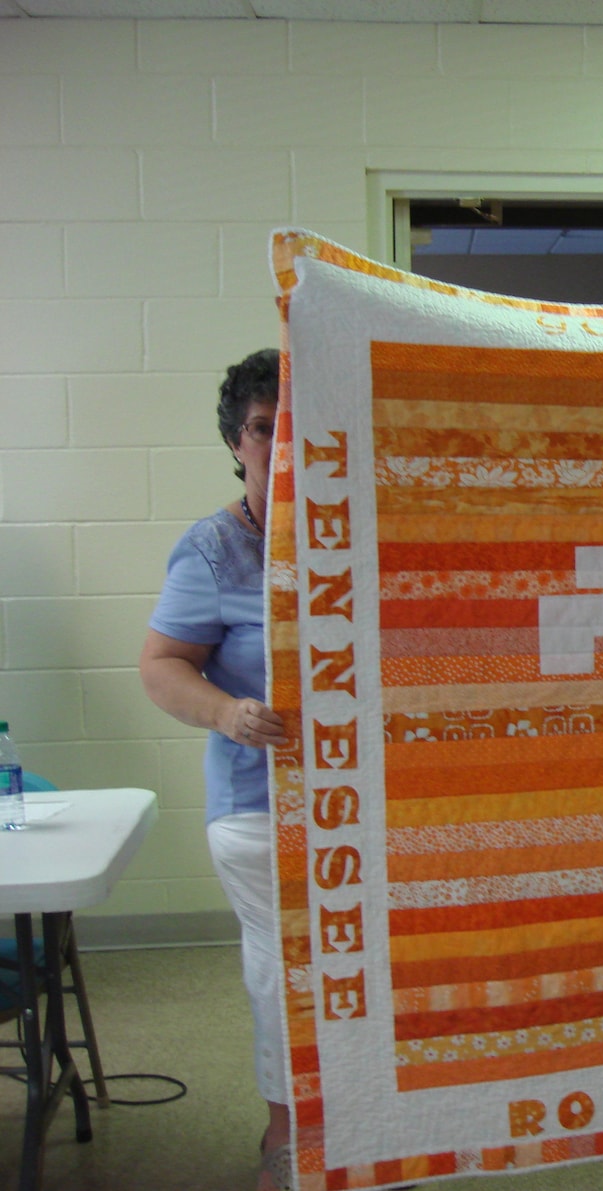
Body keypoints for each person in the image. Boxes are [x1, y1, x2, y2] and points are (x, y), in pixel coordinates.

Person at [139, 349, 294, 1191]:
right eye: (264, 429)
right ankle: (286, 1135)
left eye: (296, 428)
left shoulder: (368, 529)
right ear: (238, 443)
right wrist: (227, 712)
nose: (280, 445)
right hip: (257, 804)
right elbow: (162, 663)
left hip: (366, 803)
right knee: (286, 969)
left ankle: (375, 1130)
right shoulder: (213, 550)